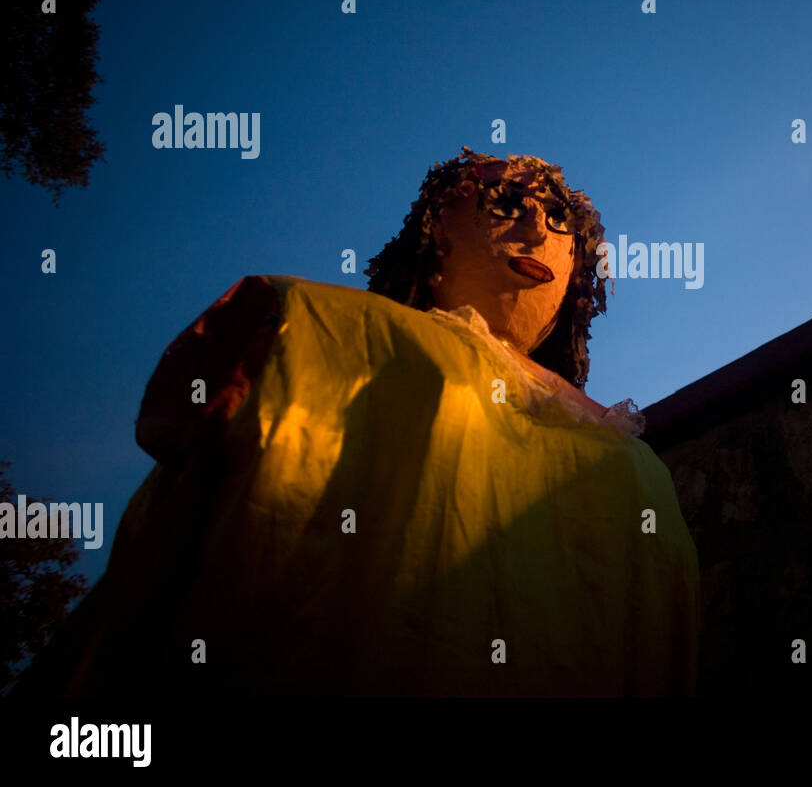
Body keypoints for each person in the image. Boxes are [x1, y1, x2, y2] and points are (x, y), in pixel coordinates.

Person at [16, 147, 700, 697]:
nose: (534, 229)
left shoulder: (639, 471)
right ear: (433, 233)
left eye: (559, 223)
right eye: (505, 202)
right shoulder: (318, 328)